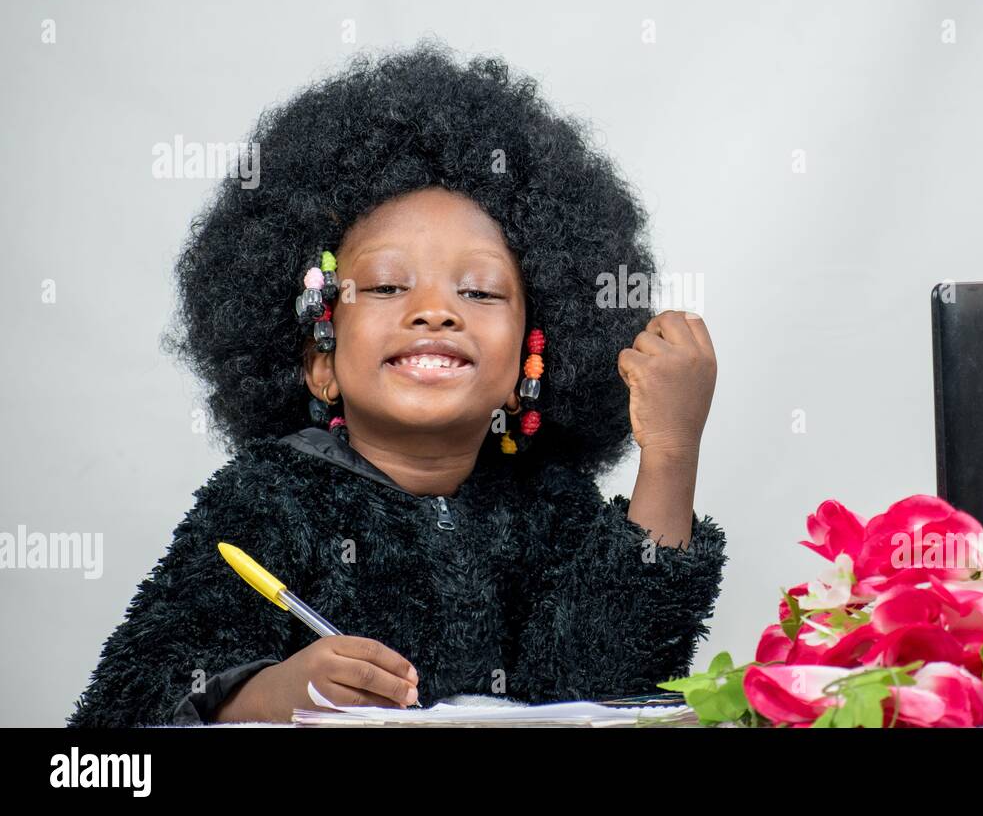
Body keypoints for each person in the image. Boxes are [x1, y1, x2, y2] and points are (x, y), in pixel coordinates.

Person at [66, 40, 726, 726]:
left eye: (480, 291)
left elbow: (609, 689)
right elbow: (119, 720)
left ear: (530, 361)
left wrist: (671, 453)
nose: (435, 310)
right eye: (385, 285)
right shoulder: (266, 501)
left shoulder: (549, 506)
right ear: (320, 357)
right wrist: (270, 696)